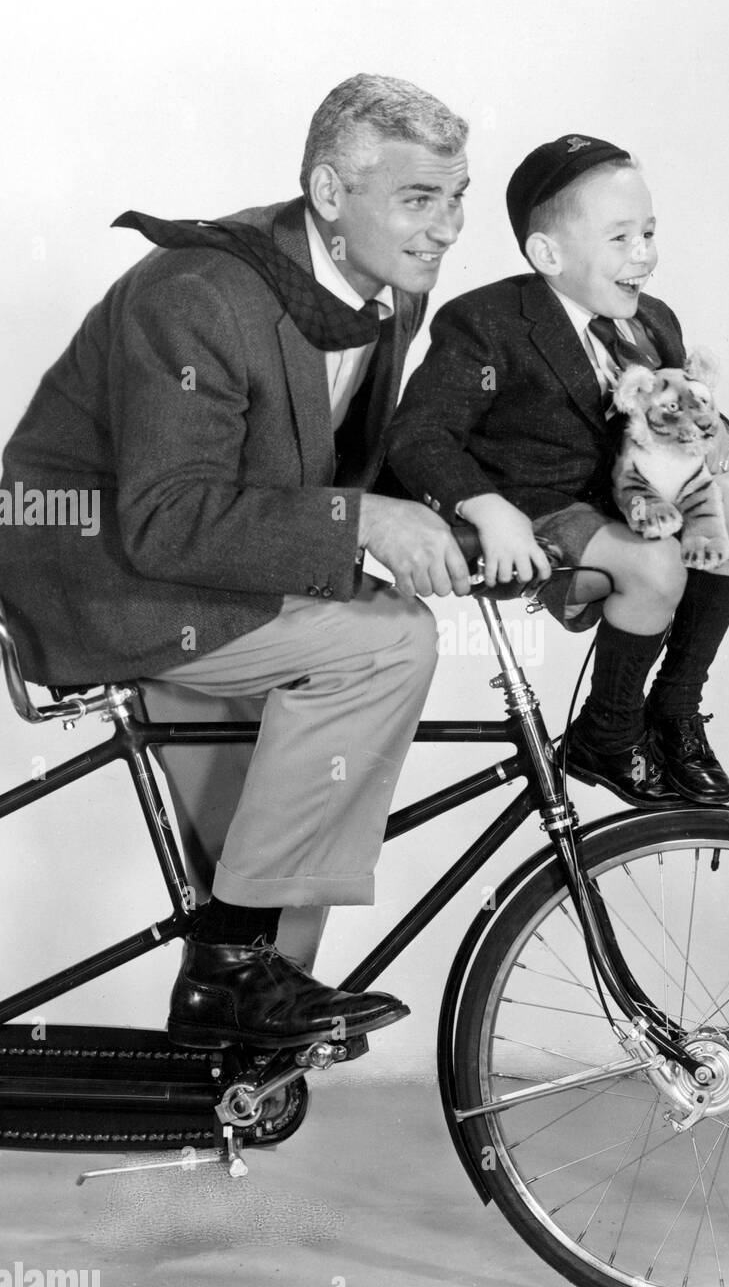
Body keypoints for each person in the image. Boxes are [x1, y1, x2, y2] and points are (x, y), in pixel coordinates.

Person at [0, 74, 473, 1049]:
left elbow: (347, 461)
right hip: (107, 576)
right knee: (385, 646)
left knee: (272, 864)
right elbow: (168, 517)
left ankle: (242, 1048)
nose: (446, 228)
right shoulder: (203, 294)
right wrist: (366, 527)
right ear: (331, 195)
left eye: (457, 197)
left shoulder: (388, 292)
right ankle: (227, 983)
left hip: (221, 572)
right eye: (420, 199)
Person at [384, 134, 729, 809]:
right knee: (654, 566)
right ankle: (608, 733)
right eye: (619, 239)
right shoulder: (486, 323)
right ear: (547, 254)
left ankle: (673, 706)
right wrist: (483, 507)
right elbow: (418, 437)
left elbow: (678, 420)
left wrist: (722, 448)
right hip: (526, 512)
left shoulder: (652, 321)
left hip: (618, 500)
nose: (643, 255)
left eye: (648, 232)